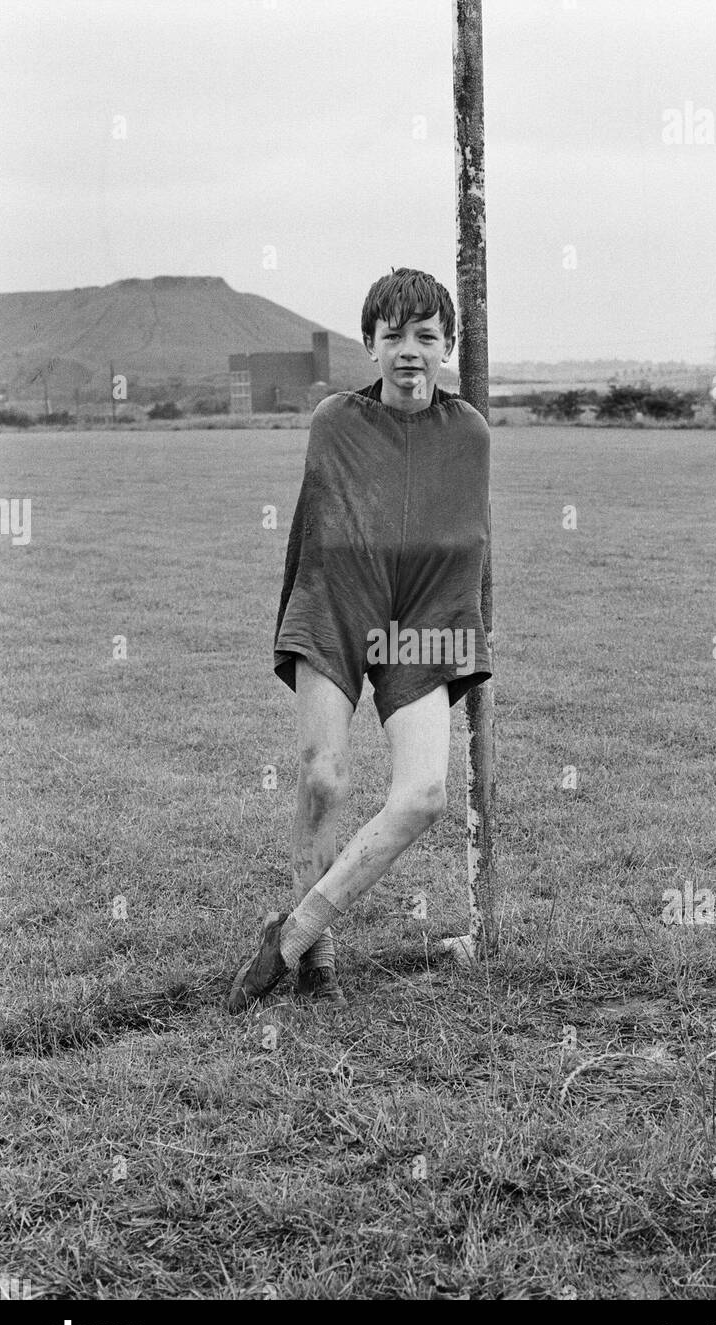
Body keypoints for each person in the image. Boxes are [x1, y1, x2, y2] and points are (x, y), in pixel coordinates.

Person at [228, 266, 492, 1015]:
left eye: (426, 337)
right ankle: (318, 960)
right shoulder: (335, 420)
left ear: (448, 345)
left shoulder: (468, 430)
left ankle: (294, 930)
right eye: (393, 337)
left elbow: (465, 542)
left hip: (425, 619)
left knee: (424, 796)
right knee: (323, 778)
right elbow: (319, 535)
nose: (410, 351)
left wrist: (450, 636)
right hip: (337, 602)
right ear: (369, 343)